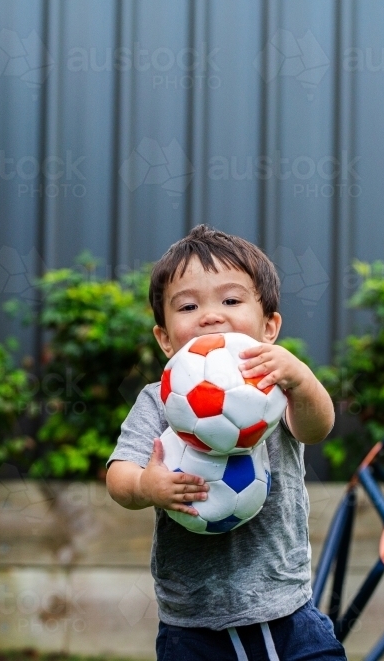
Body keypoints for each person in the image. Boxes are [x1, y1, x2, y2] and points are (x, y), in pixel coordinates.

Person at [106, 224, 347, 660]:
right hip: (194, 623)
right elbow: (119, 473)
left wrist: (302, 378)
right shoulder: (159, 398)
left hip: (287, 608)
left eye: (231, 300)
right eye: (188, 305)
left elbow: (317, 428)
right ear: (164, 338)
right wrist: (146, 486)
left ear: (269, 326)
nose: (211, 315)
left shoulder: (276, 385)